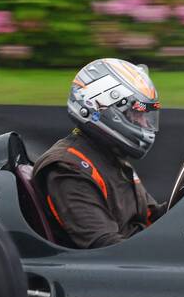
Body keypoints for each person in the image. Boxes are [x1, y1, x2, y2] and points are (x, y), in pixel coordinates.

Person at [33, 57, 162, 248]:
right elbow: (105, 248)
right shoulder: (69, 169)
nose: (144, 124)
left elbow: (151, 217)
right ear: (104, 107)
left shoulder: (111, 158)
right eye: (136, 114)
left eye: (145, 116)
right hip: (113, 269)